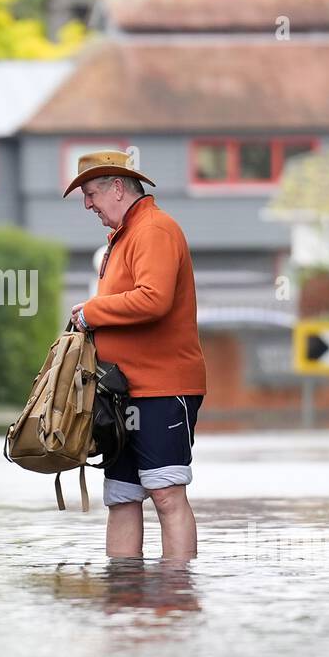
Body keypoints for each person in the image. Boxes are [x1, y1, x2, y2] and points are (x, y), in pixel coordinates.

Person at [63, 150, 207, 560]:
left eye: (90, 193)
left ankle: (176, 594)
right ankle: (123, 599)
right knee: (121, 496)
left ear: (119, 188)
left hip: (163, 386)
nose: (87, 204)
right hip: (123, 391)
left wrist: (92, 311)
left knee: (165, 492)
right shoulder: (126, 235)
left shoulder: (155, 230)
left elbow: (154, 299)